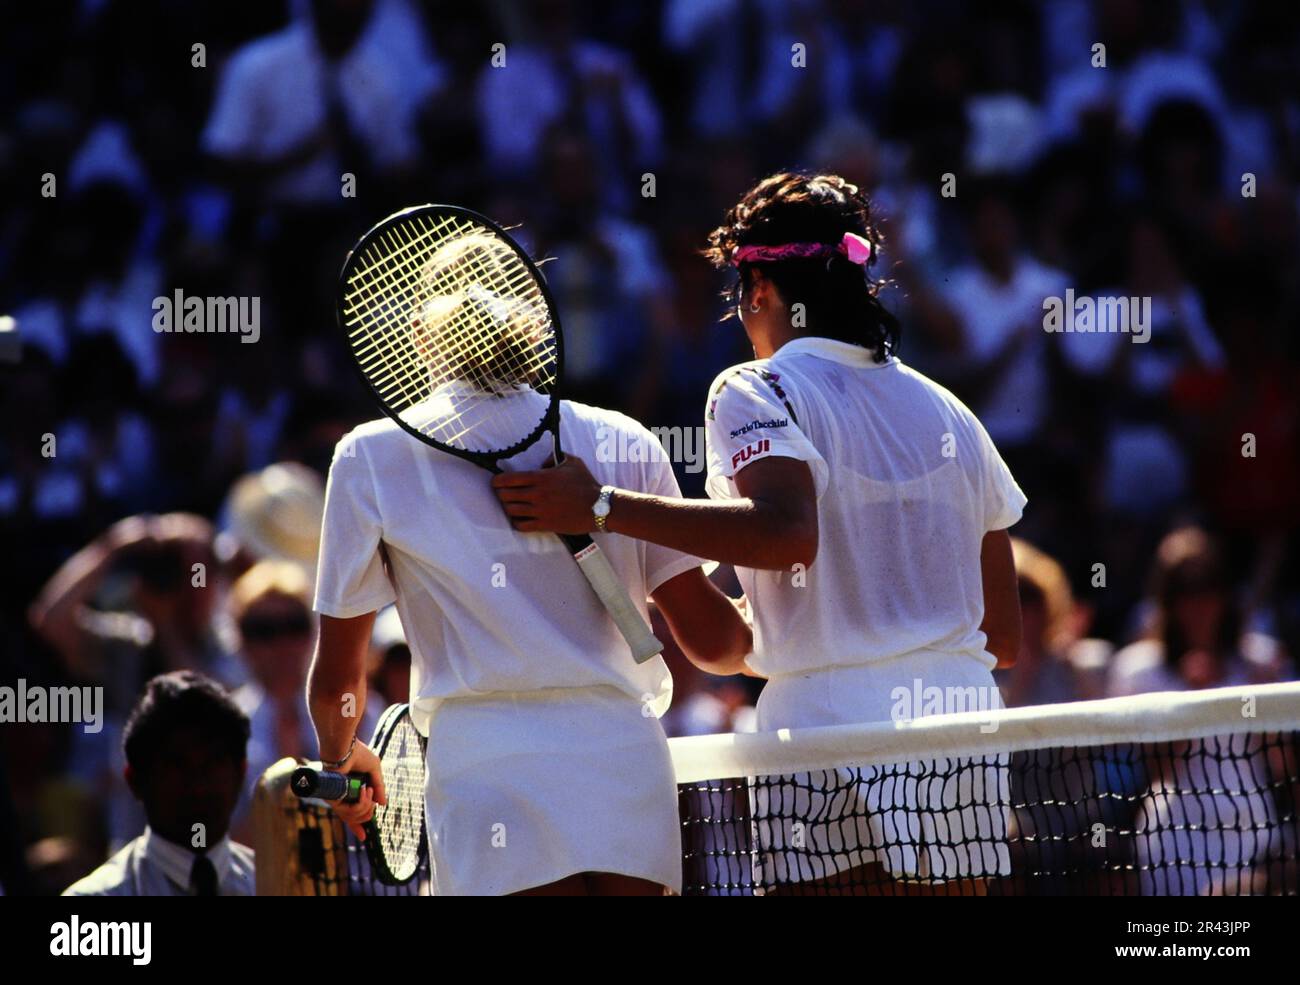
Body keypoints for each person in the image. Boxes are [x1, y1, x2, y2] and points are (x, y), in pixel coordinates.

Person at [492, 171, 1025, 895]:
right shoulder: (954, 414)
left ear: (762, 291)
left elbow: (787, 534)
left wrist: (601, 507)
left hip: (825, 732)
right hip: (960, 727)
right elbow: (1005, 633)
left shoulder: (756, 386)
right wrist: (768, 630)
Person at [308, 372, 752, 896]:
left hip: (487, 769)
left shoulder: (369, 454)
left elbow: (339, 678)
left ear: (425, 357)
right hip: (627, 758)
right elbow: (716, 644)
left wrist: (339, 755)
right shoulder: (625, 436)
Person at [64, 671, 254, 896]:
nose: (198, 786)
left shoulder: (278, 886)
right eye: (177, 766)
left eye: (213, 763)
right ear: (135, 781)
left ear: (241, 773)